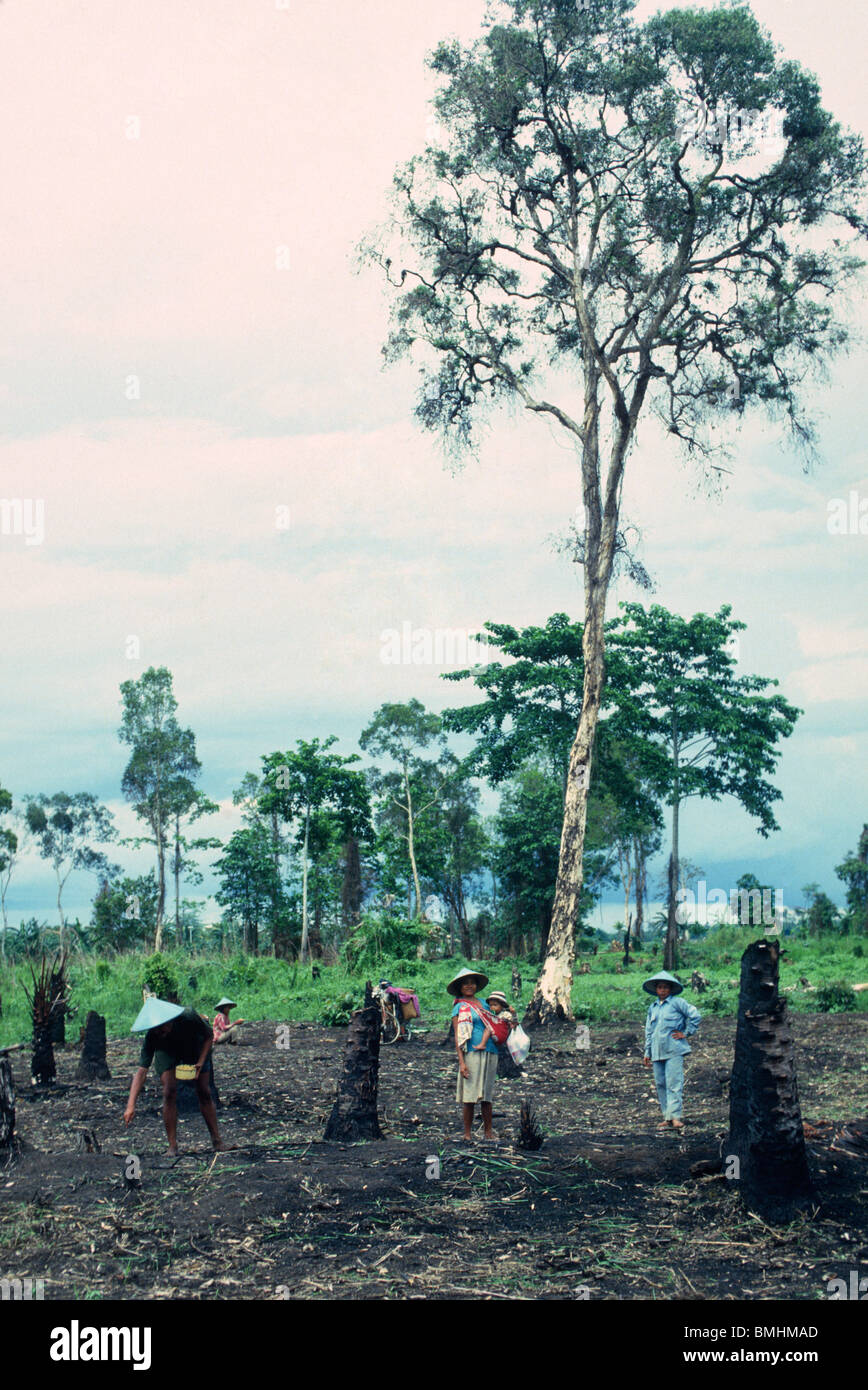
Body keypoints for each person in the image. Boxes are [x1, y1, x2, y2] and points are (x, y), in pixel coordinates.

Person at [124, 997, 225, 1155]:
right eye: (155, 1029)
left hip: (196, 1046)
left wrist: (200, 1061)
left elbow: (208, 1036)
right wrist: (131, 1106)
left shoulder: (188, 1016)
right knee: (169, 1092)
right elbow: (142, 1071)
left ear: (170, 1020)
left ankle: (217, 1141)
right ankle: (172, 1146)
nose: (159, 1032)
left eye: (162, 1027)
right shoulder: (153, 1036)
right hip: (168, 1051)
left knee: (204, 1091)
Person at [642, 970, 701, 1131]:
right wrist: (647, 1052)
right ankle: (666, 1117)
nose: (663, 990)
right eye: (660, 987)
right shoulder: (652, 1008)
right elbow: (649, 1030)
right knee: (661, 1083)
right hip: (656, 1051)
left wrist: (686, 1033)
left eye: (666, 987)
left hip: (674, 1049)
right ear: (656, 989)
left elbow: (695, 1015)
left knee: (674, 1083)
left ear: (670, 989)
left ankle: (675, 1117)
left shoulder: (677, 1003)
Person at [449, 967, 500, 1141]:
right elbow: (458, 1036)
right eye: (465, 984)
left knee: (487, 1095)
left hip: (490, 1051)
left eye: (472, 983)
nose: (469, 986)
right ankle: (467, 1134)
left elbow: (495, 1023)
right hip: (470, 1052)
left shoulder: (485, 1004)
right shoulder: (459, 1007)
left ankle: (488, 1132)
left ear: (476, 986)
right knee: (469, 1096)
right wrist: (461, 1062)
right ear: (460, 987)